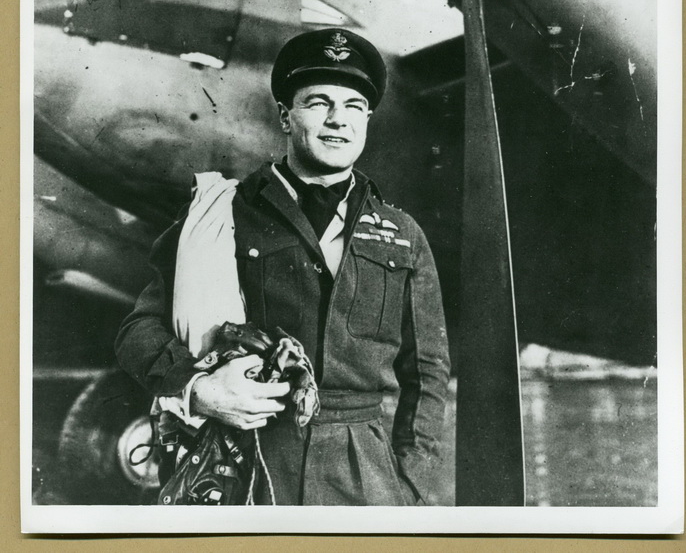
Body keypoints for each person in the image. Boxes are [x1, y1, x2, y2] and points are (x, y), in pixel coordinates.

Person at [115, 27, 450, 505]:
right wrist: (199, 386)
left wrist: (410, 486)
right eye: (318, 103)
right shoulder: (222, 213)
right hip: (243, 465)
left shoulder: (402, 233)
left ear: (368, 120)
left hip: (365, 478)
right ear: (285, 116)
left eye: (354, 106)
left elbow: (428, 372)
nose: (339, 121)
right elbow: (137, 330)